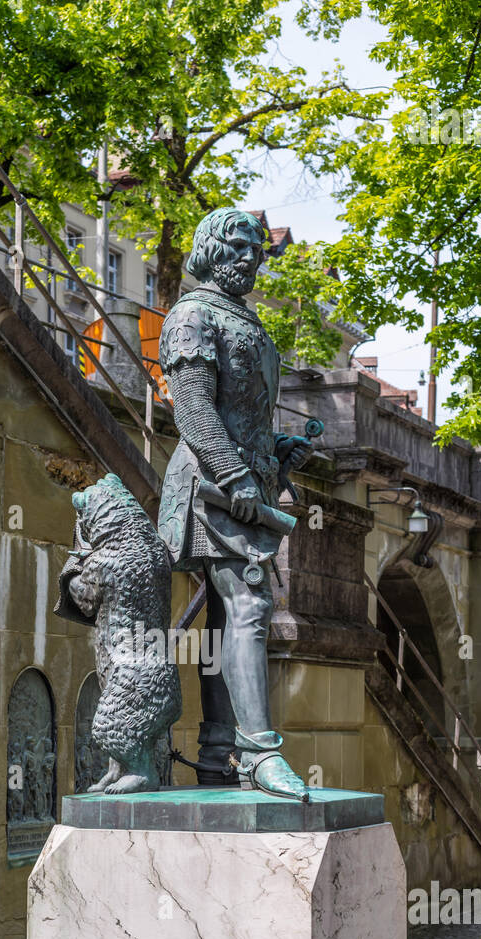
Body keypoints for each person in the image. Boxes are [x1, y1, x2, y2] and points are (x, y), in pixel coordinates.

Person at [158, 208, 311, 799]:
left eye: (256, 249)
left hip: (243, 485)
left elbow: (239, 413)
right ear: (209, 250)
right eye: (238, 246)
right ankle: (260, 751)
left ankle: (221, 751)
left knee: (228, 619)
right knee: (249, 605)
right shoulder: (193, 315)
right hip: (211, 488)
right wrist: (237, 477)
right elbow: (192, 410)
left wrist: (277, 448)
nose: (250, 257)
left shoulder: (245, 321)